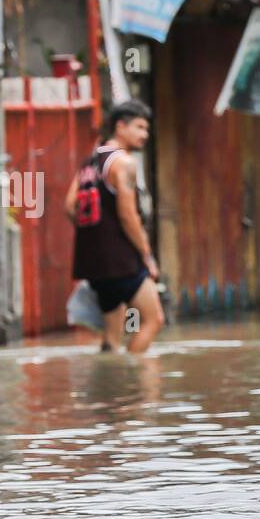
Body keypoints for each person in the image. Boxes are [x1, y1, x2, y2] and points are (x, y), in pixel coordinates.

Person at [63, 99, 165, 353]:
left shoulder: (90, 162)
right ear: (121, 126)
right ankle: (134, 383)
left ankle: (111, 381)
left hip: (94, 265)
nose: (145, 135)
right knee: (154, 320)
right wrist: (146, 255)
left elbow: (69, 206)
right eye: (140, 127)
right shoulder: (124, 163)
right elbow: (128, 216)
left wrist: (95, 235)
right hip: (122, 261)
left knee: (112, 333)